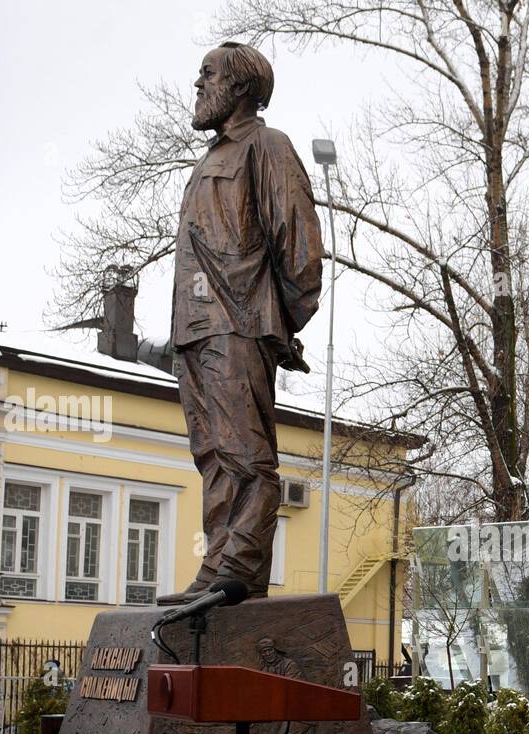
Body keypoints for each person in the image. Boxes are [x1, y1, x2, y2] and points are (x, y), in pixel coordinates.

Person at [158, 41, 324, 604]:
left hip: (239, 321)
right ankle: (222, 566)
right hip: (195, 328)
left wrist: (279, 319)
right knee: (212, 452)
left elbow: (298, 240)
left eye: (207, 73)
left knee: (246, 451)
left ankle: (242, 565)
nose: (197, 83)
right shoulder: (208, 162)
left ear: (241, 87)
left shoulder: (268, 147)